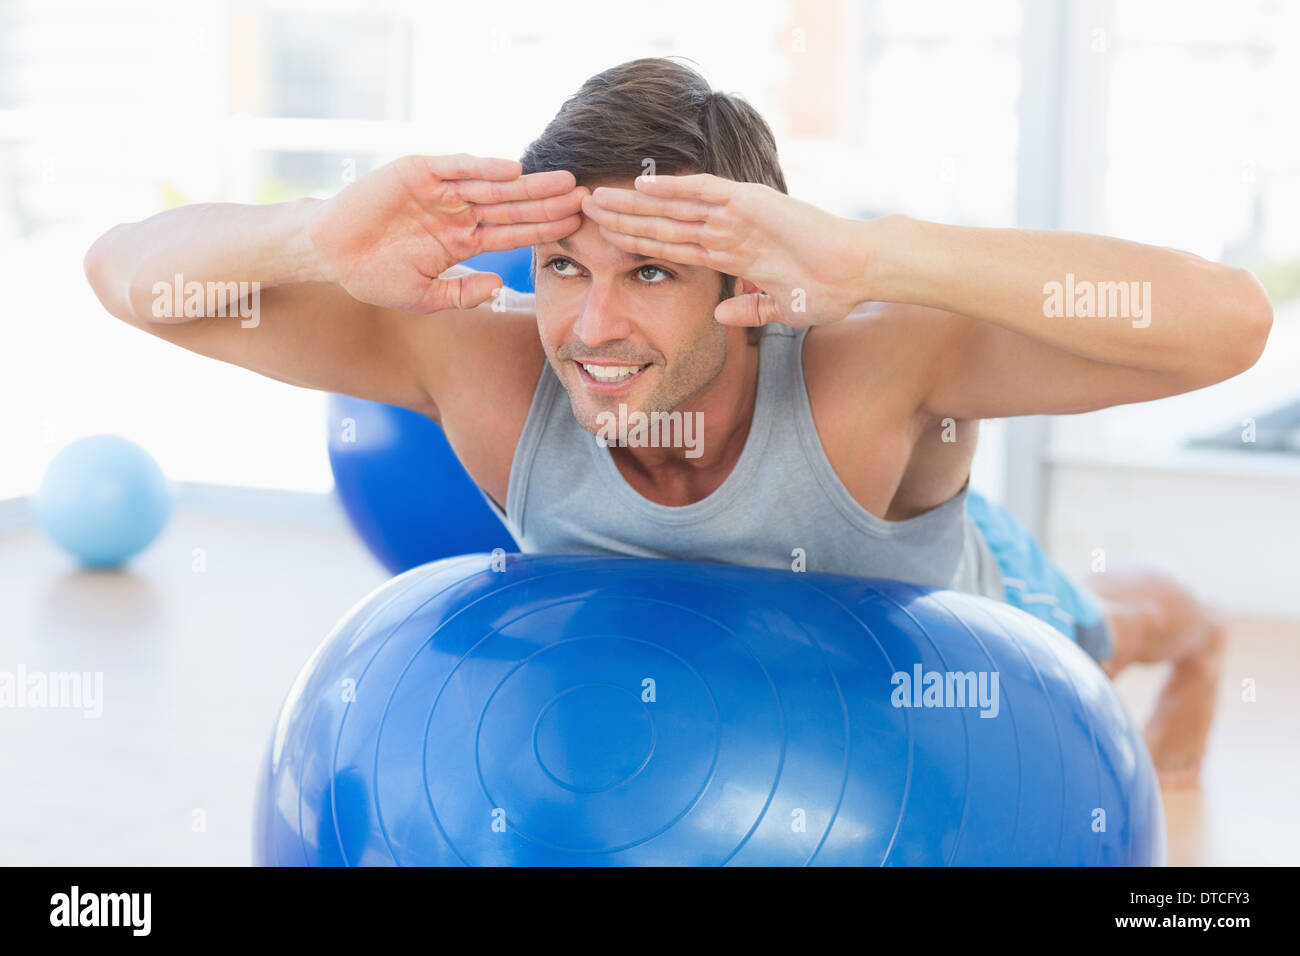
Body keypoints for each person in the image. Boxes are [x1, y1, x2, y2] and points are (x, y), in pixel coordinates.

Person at [83, 57, 1272, 787]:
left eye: (648, 273)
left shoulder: (869, 368)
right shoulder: (490, 365)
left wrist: (874, 253)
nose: (589, 326)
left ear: (741, 281)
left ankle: (1198, 632)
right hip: (679, 698)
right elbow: (125, 276)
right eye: (560, 265)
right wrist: (309, 239)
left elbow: (1226, 326)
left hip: (954, 608)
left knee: (1102, 628)